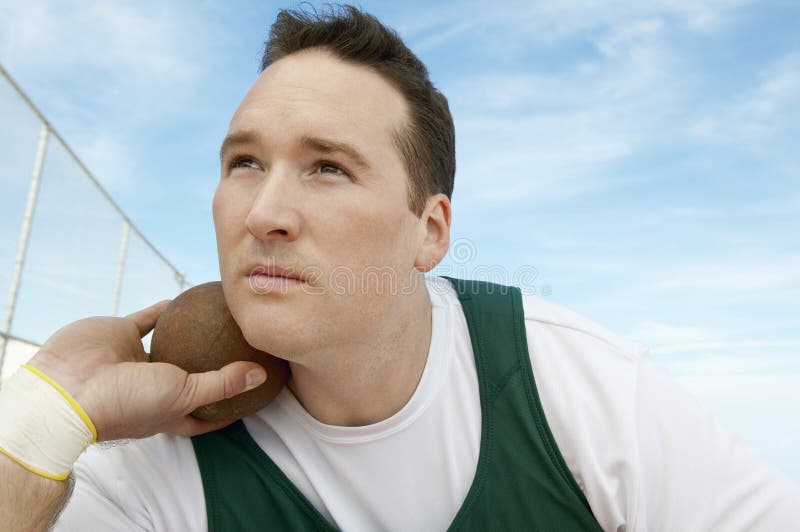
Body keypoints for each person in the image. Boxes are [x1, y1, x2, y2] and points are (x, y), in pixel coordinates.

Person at [1, 5, 798, 531]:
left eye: (328, 169)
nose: (263, 212)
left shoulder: (572, 384)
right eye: (244, 162)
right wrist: (47, 411)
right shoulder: (150, 448)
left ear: (430, 230)